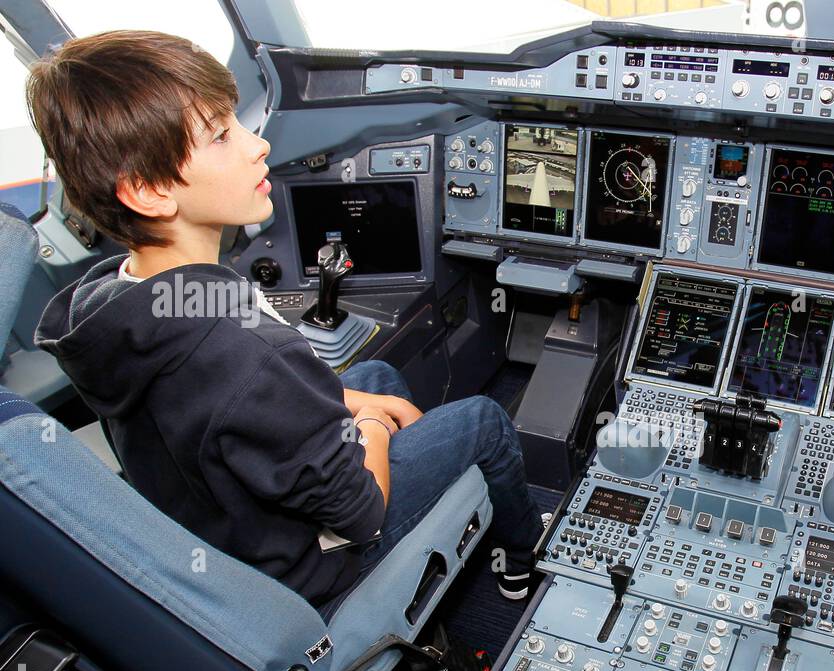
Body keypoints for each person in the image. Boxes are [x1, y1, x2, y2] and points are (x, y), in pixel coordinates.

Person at [27, 30, 544, 607]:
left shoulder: (115, 303)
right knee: (485, 421)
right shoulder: (240, 353)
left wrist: (361, 408)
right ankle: (522, 562)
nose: (259, 145)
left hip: (227, 529)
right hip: (306, 567)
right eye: (222, 135)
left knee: (375, 379)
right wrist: (369, 427)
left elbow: (246, 405)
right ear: (148, 193)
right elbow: (361, 515)